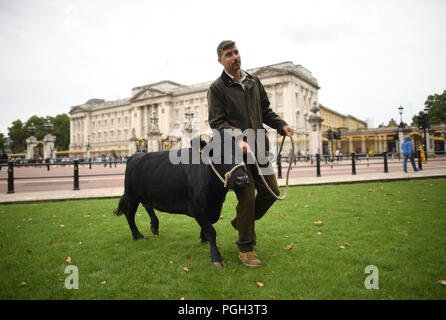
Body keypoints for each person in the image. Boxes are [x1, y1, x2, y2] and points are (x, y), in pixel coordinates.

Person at [208, 40, 293, 268]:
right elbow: (217, 122)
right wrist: (237, 137)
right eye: (229, 54)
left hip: (259, 149)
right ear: (220, 60)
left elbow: (265, 111)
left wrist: (280, 125)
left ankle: (240, 222)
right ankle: (246, 248)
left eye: (236, 52)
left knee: (271, 192)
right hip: (235, 154)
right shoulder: (216, 88)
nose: (235, 56)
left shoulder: (254, 82)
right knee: (247, 196)